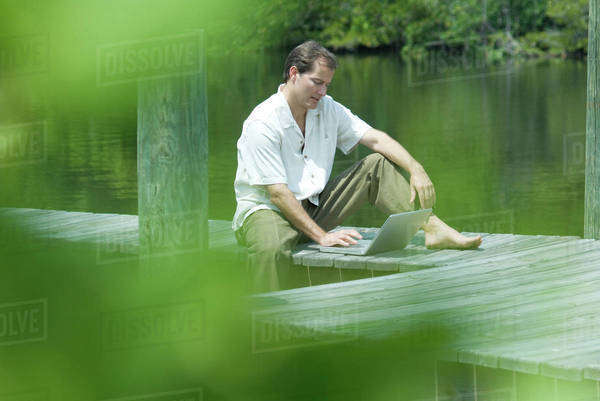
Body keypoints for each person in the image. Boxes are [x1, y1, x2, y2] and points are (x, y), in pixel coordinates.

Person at [233, 40, 481, 293]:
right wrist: (322, 236)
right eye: (317, 82)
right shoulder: (263, 122)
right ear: (294, 74)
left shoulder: (327, 108)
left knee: (376, 165)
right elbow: (277, 193)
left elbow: (375, 139)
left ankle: (434, 229)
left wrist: (416, 168)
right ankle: (263, 321)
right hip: (268, 211)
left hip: (313, 205)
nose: (322, 92)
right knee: (271, 248)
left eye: (327, 85)